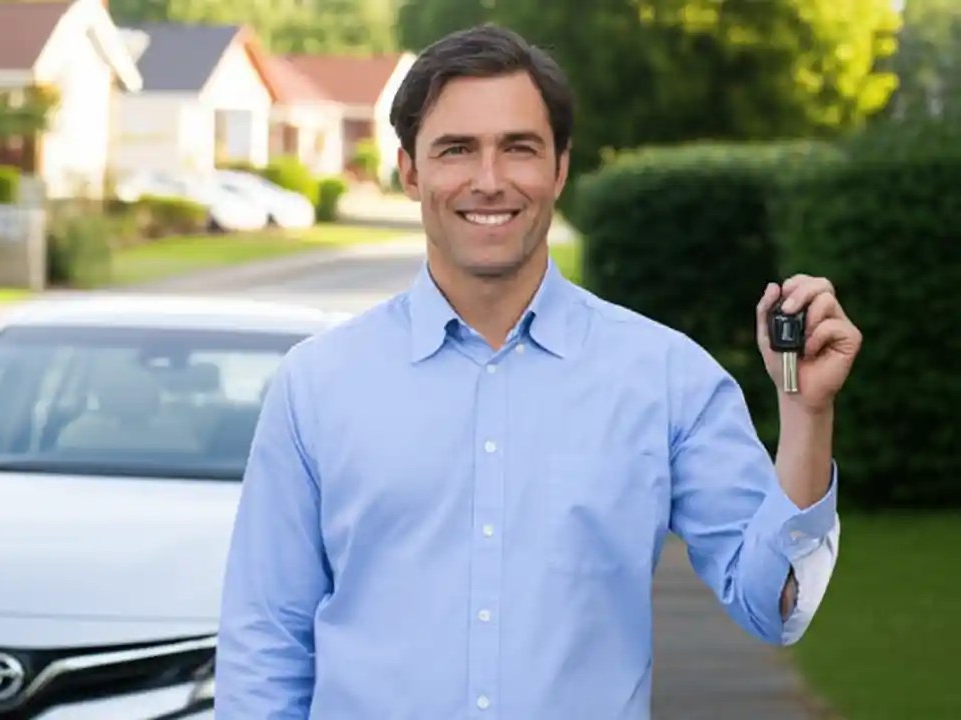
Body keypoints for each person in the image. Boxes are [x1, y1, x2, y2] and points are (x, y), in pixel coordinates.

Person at [215, 23, 862, 720]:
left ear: (559, 168)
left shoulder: (666, 377)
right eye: (456, 149)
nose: (488, 181)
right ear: (409, 172)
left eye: (518, 148)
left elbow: (775, 607)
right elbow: (266, 643)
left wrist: (806, 413)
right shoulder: (316, 384)